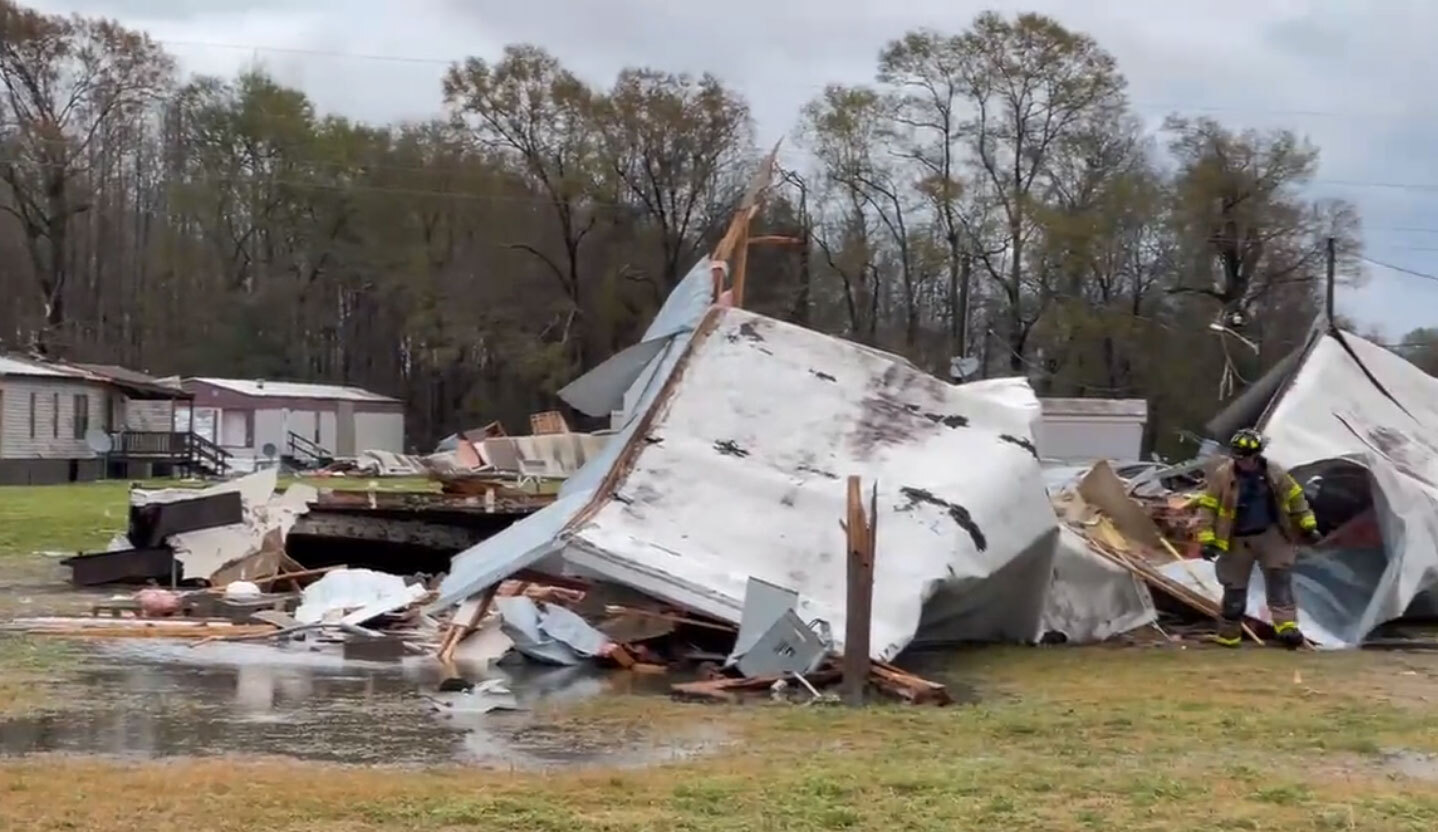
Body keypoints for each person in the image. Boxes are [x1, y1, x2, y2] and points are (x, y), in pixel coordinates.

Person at [1194, 429, 1322, 648]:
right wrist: (1207, 540)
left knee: (1279, 580)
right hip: (1235, 539)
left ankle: (1286, 629)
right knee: (1234, 592)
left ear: (1256, 455)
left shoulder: (1275, 473)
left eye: (1246, 456)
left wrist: (1308, 525)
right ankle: (1229, 635)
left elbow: (1295, 497)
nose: (1242, 461)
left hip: (1271, 534)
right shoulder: (1223, 475)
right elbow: (1208, 507)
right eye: (1238, 456)